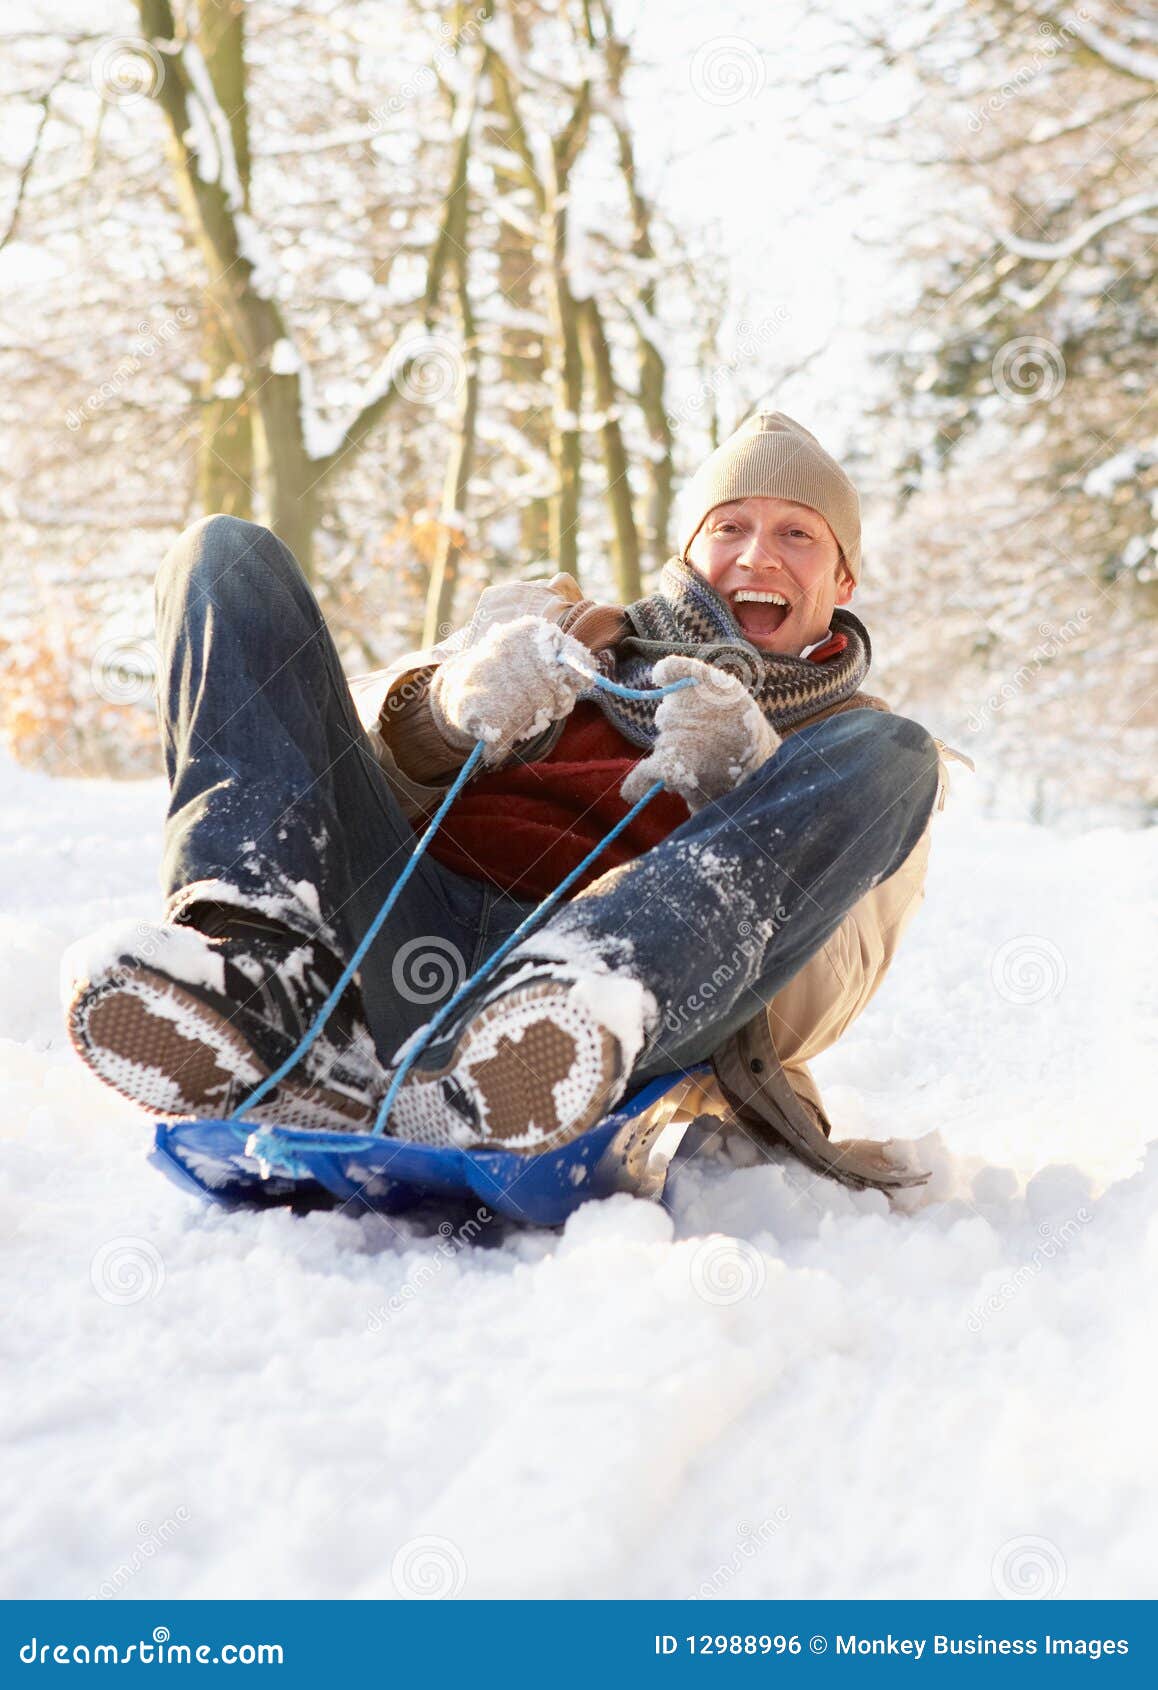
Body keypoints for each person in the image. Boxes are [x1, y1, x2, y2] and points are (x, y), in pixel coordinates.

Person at [64, 411, 949, 1163]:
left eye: (797, 533)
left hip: (601, 1001)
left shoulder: (853, 754)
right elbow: (318, 746)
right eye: (730, 527)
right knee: (224, 556)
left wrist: (746, 782)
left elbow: (816, 1002)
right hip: (398, 926)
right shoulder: (564, 632)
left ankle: (539, 1032)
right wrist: (445, 705)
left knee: (899, 748)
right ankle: (262, 976)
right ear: (687, 552)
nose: (758, 556)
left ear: (842, 579)